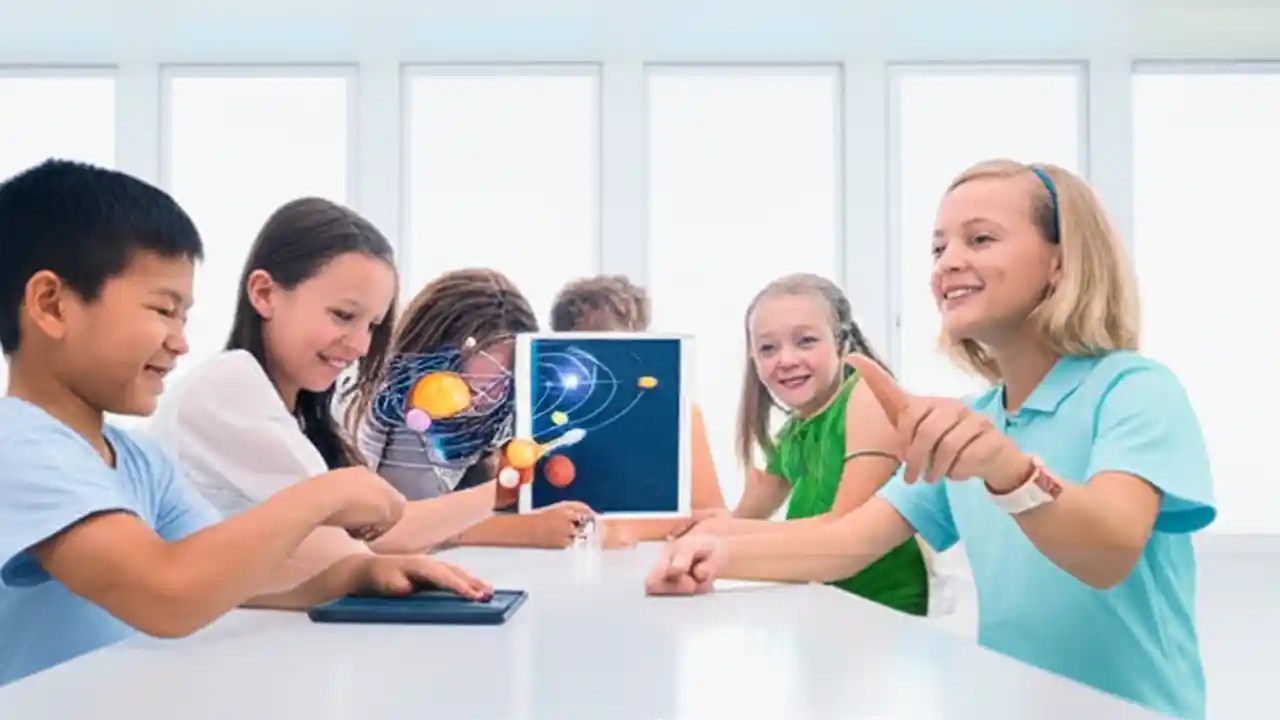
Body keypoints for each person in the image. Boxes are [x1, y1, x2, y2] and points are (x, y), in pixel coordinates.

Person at [645, 160, 1215, 720]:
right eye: (939, 249)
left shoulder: (1134, 390)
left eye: (981, 238)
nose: (949, 264)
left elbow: (1108, 551)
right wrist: (717, 556)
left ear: (1060, 264)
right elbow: (847, 542)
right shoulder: (975, 420)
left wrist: (1010, 473)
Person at [0, 161, 486, 686]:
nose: (180, 341)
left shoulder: (136, 459)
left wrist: (362, 573)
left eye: (184, 317)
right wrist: (327, 494)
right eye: (163, 311)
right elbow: (166, 593)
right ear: (51, 306)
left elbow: (238, 574)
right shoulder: (20, 445)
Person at [151, 199, 512, 576]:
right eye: (343, 316)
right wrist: (510, 483)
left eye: (372, 325)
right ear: (263, 294)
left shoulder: (303, 412)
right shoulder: (227, 388)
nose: (360, 346)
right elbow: (365, 538)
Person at [680, 273, 929, 615]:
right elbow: (745, 518)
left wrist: (719, 534)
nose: (786, 359)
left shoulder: (865, 400)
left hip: (879, 611)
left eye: (806, 341)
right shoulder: (795, 431)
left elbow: (844, 527)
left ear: (842, 343)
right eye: (768, 348)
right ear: (754, 358)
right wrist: (710, 522)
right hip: (820, 601)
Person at [354, 268, 610, 549]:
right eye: (464, 387)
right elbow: (355, 534)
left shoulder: (508, 417)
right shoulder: (378, 400)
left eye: (496, 388)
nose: (474, 406)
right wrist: (513, 529)